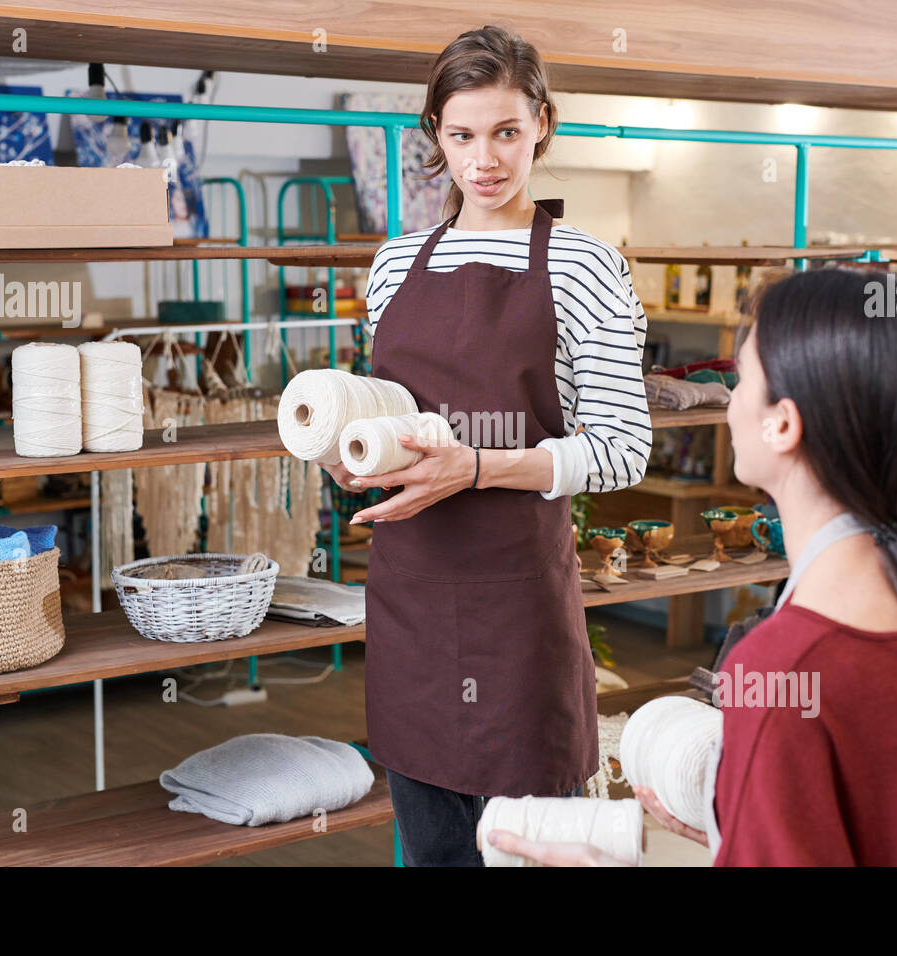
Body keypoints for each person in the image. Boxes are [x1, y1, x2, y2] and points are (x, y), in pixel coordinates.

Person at [489, 268, 897, 866]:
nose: (731, 402)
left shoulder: (784, 669)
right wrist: (745, 825)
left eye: (742, 380)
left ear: (782, 424)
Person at [318, 24, 652, 866]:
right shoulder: (393, 266)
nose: (485, 160)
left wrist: (477, 467)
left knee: (532, 851)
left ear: (542, 122)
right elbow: (388, 412)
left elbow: (622, 448)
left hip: (518, 619)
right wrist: (348, 448)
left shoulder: (585, 267)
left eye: (506, 131)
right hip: (410, 612)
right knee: (433, 853)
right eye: (462, 135)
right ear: (436, 133)